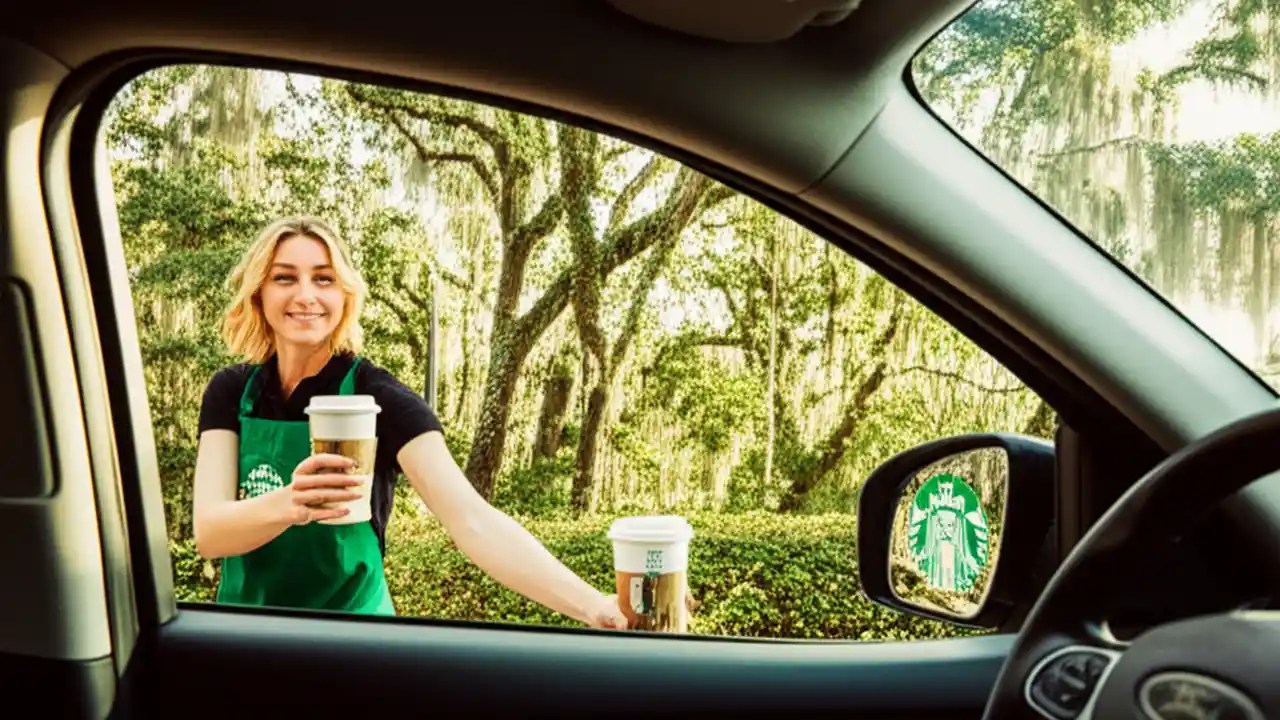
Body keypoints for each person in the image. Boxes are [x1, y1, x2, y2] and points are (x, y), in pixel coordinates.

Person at [192, 215, 628, 628]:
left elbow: (470, 518)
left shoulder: (379, 398)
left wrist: (594, 607)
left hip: (356, 646)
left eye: (323, 278)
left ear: (345, 295)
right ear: (259, 293)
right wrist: (295, 503)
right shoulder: (232, 392)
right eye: (284, 277)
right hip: (246, 638)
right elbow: (210, 533)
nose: (306, 294)